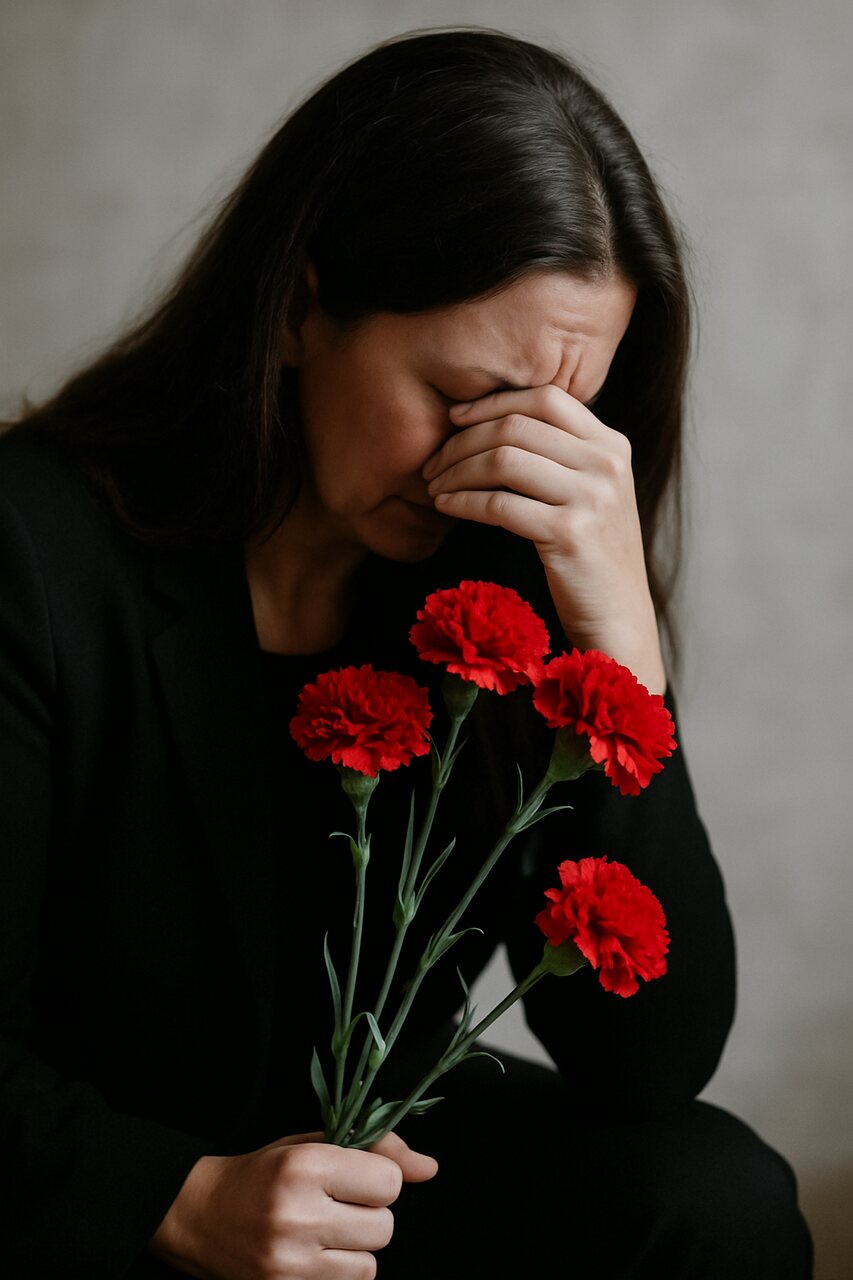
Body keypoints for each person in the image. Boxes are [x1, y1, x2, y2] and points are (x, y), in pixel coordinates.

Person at [0, 24, 813, 1279]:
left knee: (714, 1192)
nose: (486, 464)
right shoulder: (33, 549)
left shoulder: (512, 577)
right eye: (459, 396)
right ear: (297, 308)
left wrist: (621, 653)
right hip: (104, 1182)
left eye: (556, 421)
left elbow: (642, 1062)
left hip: (367, 1174)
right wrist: (172, 1196)